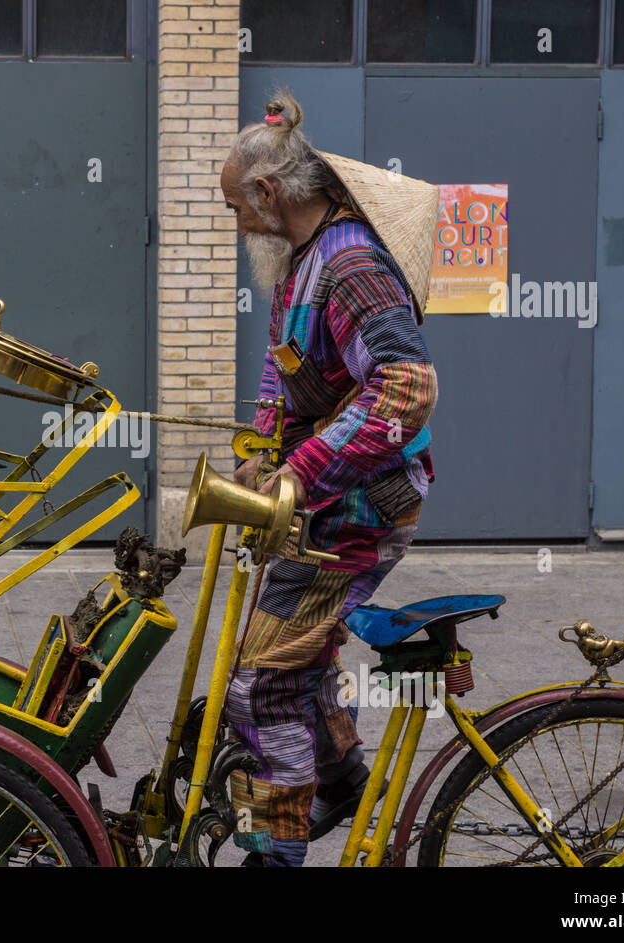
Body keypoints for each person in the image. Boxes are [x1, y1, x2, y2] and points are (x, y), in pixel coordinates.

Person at [219, 90, 440, 866]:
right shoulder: (301, 267)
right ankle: (342, 779)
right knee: (299, 664)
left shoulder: (349, 266)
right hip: (328, 507)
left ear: (269, 194)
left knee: (258, 689)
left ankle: (272, 850)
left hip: (357, 512)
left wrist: (300, 472)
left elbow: (406, 387)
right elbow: (286, 381)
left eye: (236, 208)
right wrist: (263, 450)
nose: (238, 222)